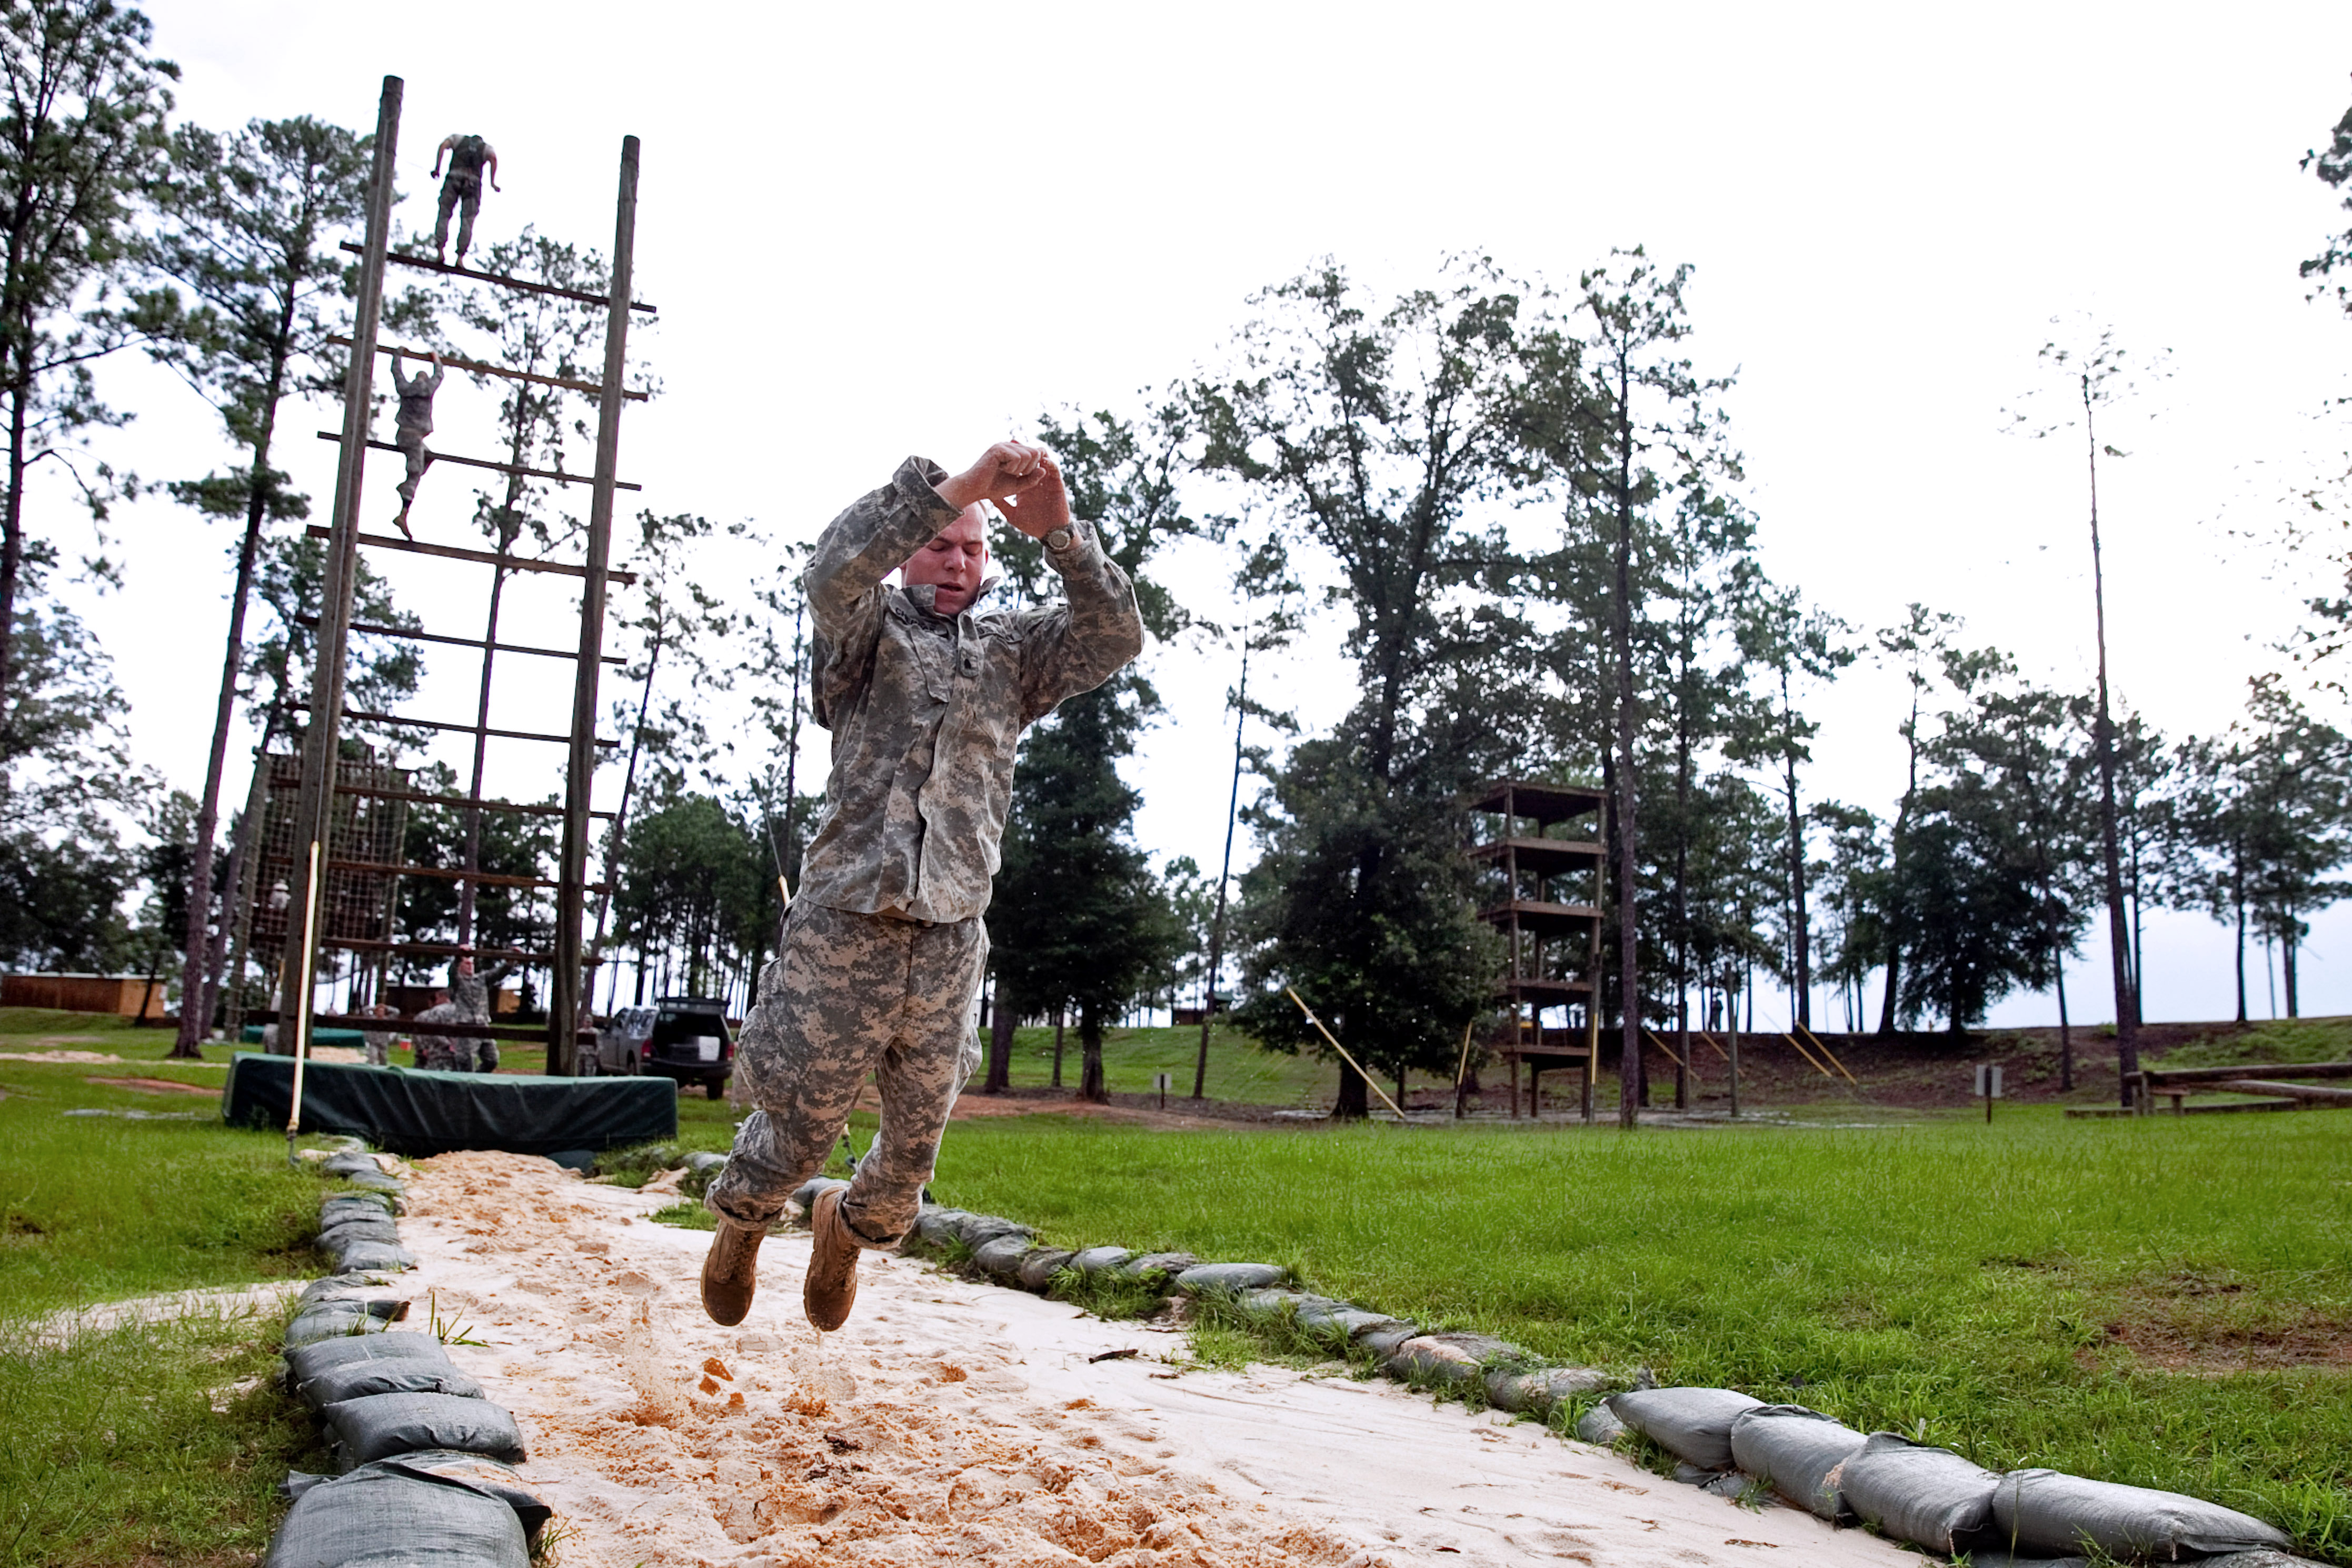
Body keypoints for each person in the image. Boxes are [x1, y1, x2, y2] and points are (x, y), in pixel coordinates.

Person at [701, 442, 1144, 1332]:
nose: (957, 560)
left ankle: (846, 1233)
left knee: (911, 1152)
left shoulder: (1017, 648)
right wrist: (964, 487)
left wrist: (1058, 531)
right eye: (941, 542)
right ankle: (742, 1227)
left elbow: (1113, 636)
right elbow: (832, 570)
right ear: (911, 549)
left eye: (974, 547)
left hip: (949, 931)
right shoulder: (864, 631)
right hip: (846, 923)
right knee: (800, 1128)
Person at [390, 349, 444, 538]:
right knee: (414, 473)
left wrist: (398, 356)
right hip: (414, 439)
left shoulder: (405, 388)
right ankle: (403, 512)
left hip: (404, 435)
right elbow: (439, 375)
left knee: (429, 457)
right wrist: (436, 359)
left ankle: (406, 486)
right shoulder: (427, 390)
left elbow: (396, 372)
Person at [430, 133, 500, 264]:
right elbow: (493, 159)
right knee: (467, 220)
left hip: (453, 178)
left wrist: (437, 168)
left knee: (444, 214)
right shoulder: (486, 148)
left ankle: (440, 251)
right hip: (473, 184)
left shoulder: (458, 139)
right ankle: (460, 258)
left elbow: (443, 145)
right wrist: (493, 182)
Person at [361, 1002, 398, 1067]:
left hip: (383, 1043)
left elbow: (397, 1012)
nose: (380, 1013)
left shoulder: (387, 1020)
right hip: (373, 1043)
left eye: (382, 1011)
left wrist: (387, 1007)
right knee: (372, 1057)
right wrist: (374, 1007)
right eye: (379, 1011)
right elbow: (365, 1010)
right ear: (376, 1012)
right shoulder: (371, 1019)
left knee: (383, 1060)